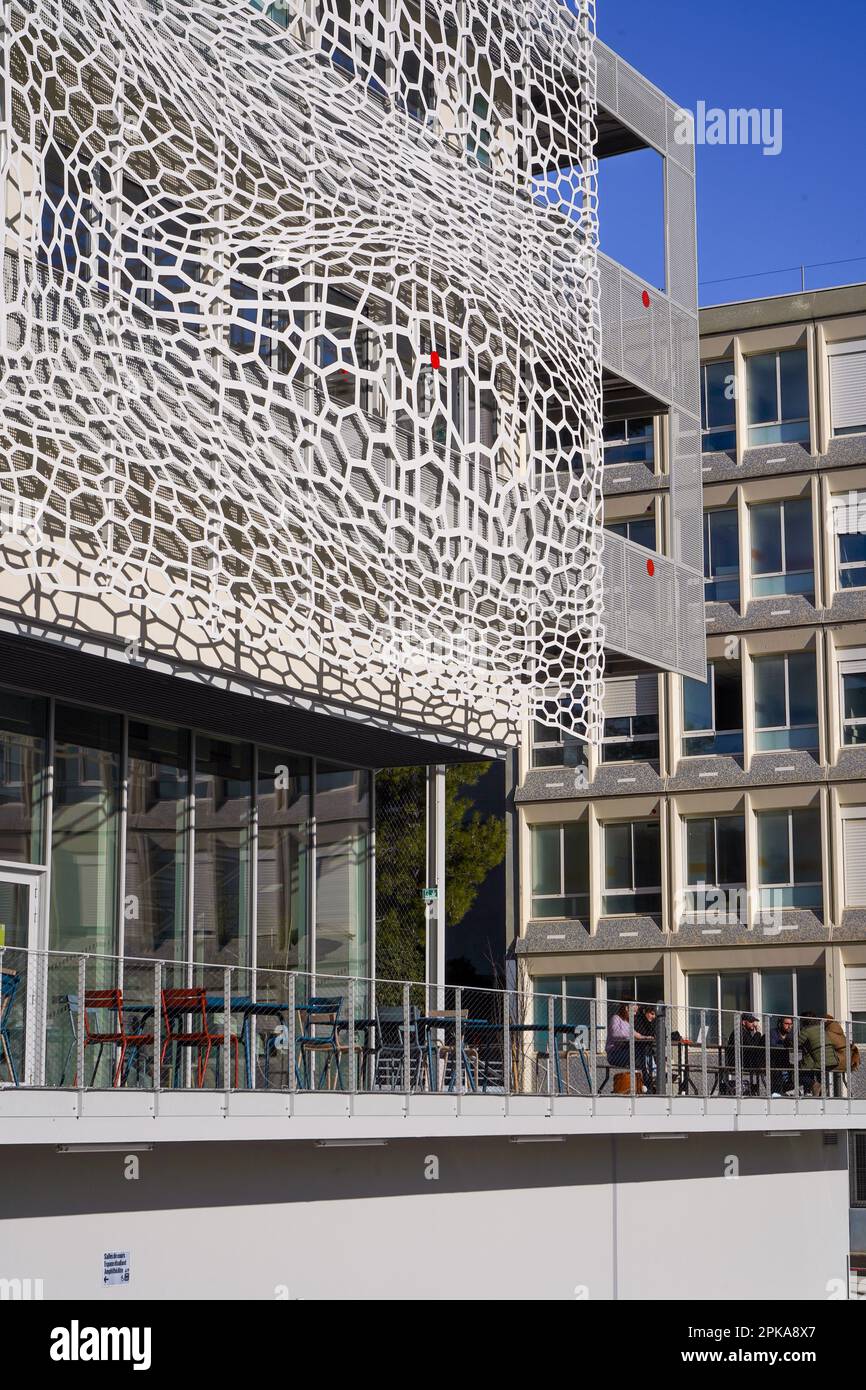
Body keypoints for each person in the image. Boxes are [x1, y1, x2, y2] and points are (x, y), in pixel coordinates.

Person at [724, 1014, 765, 1094]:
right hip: (739, 1062)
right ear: (743, 1022)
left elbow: (753, 1046)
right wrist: (758, 1033)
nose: (754, 1024)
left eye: (754, 1022)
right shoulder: (740, 1032)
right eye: (751, 1022)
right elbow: (751, 1046)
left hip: (745, 1061)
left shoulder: (745, 1032)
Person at [633, 1003, 659, 1092]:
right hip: (638, 1050)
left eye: (654, 1014)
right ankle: (654, 1074)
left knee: (651, 1054)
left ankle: (655, 1073)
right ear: (646, 1012)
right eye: (652, 1014)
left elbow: (654, 1035)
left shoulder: (651, 1023)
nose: (653, 1016)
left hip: (647, 1050)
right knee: (647, 1056)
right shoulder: (638, 1020)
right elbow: (640, 1035)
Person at [770, 1015, 795, 1096]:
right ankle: (776, 1093)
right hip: (774, 1062)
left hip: (786, 1063)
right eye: (786, 1024)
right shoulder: (773, 1032)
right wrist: (784, 1046)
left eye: (791, 1024)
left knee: (788, 1081)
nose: (789, 1026)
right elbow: (772, 1045)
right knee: (777, 1081)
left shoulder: (791, 1035)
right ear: (780, 1024)